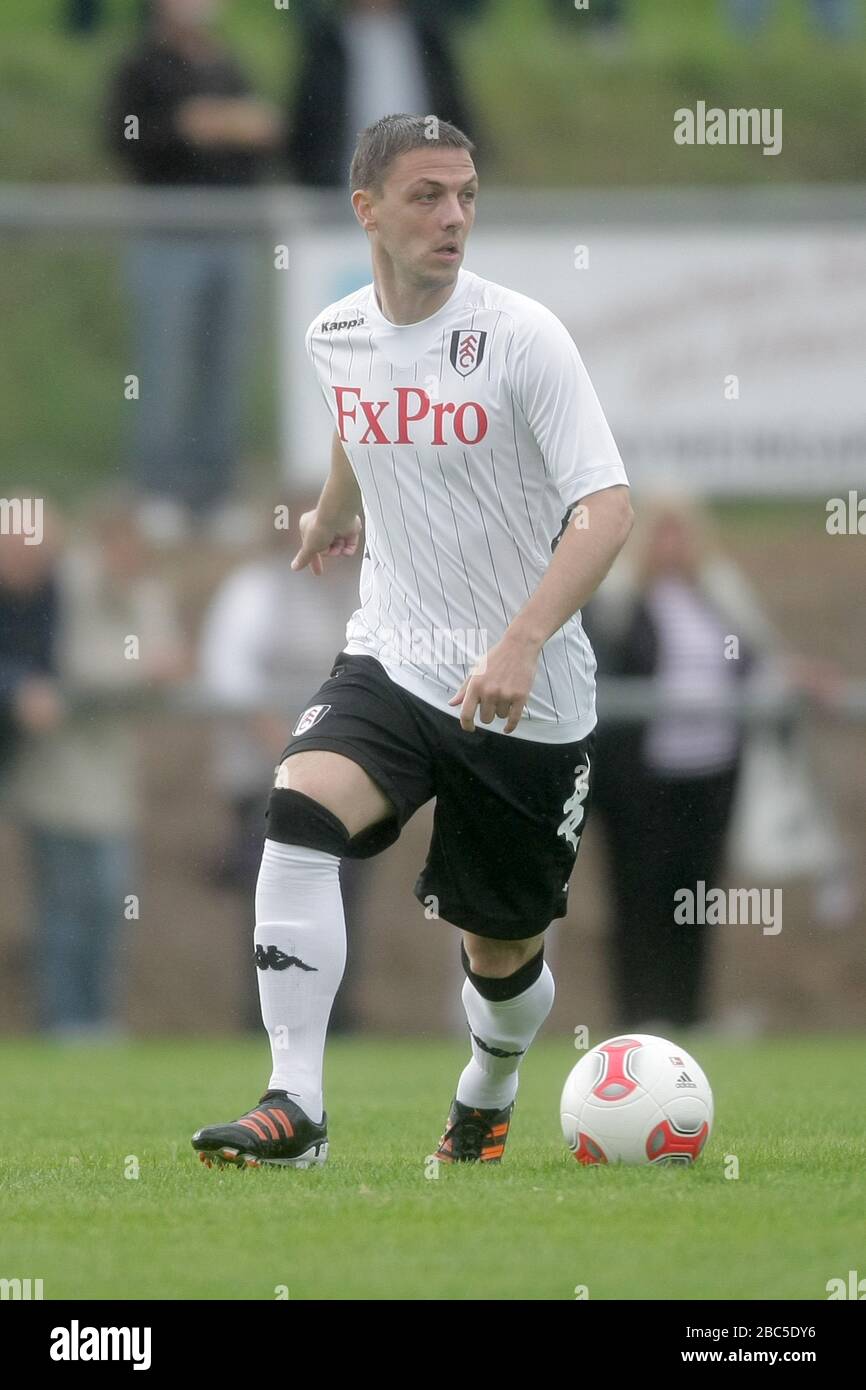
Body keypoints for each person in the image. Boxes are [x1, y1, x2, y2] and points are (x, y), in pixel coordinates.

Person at [191, 113, 633, 1170]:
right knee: (298, 807)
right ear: (366, 212)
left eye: (467, 195)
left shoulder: (523, 337)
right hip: (392, 654)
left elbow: (607, 509)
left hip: (525, 695)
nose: (453, 216)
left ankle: (488, 1086)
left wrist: (524, 640)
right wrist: (334, 504)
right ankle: (293, 1103)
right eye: (428, 195)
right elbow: (362, 404)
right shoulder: (333, 331)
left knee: (501, 953)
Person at [105, 0, 281, 540]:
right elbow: (126, 141)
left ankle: (214, 493)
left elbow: (260, 135)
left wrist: (221, 126)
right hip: (169, 237)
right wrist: (189, 128)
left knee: (222, 367)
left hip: (229, 235)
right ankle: (160, 489)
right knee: (165, 366)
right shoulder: (140, 68)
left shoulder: (228, 64)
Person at [285, 0, 486, 188]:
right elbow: (306, 125)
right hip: (339, 191)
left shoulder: (428, 39)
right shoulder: (326, 42)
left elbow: (455, 114)